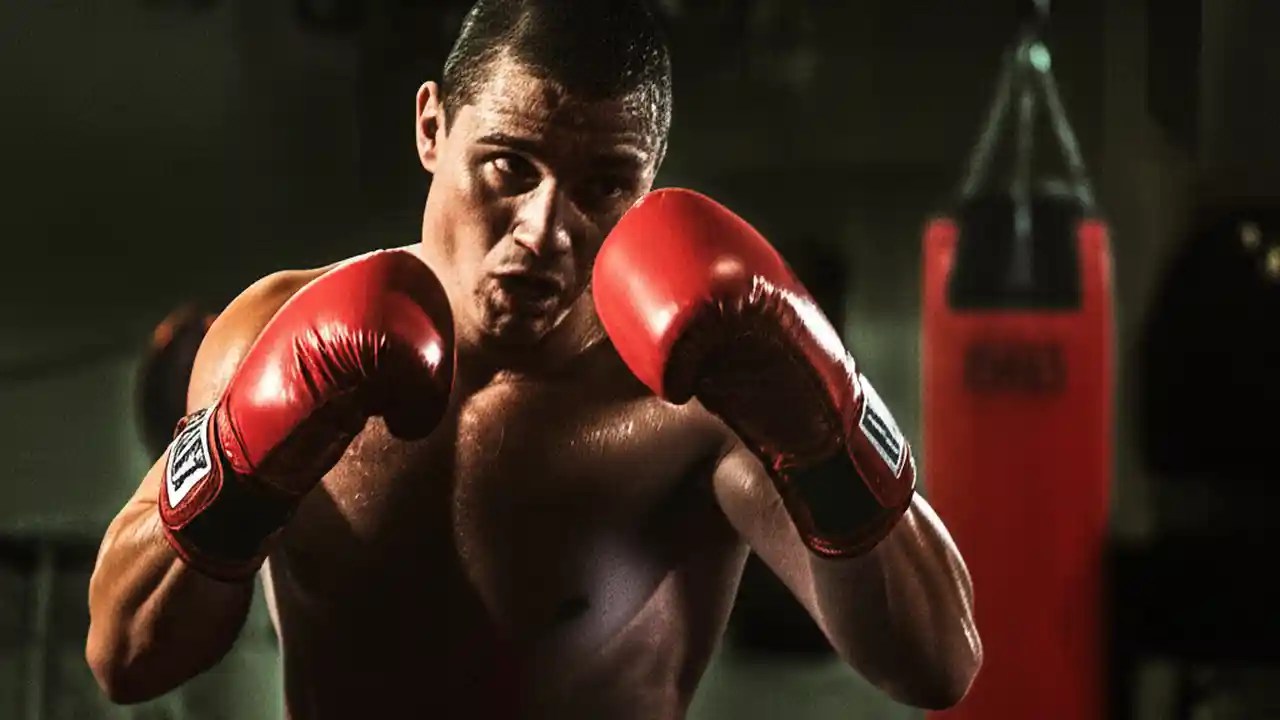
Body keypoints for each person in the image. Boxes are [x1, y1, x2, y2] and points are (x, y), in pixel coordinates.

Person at [86, 1, 982, 717]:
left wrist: (824, 422)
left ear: (652, 176)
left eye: (602, 186)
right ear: (432, 127)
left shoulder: (695, 401)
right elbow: (126, 655)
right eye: (509, 168)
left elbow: (939, 663)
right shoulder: (272, 331)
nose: (546, 231)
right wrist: (244, 460)